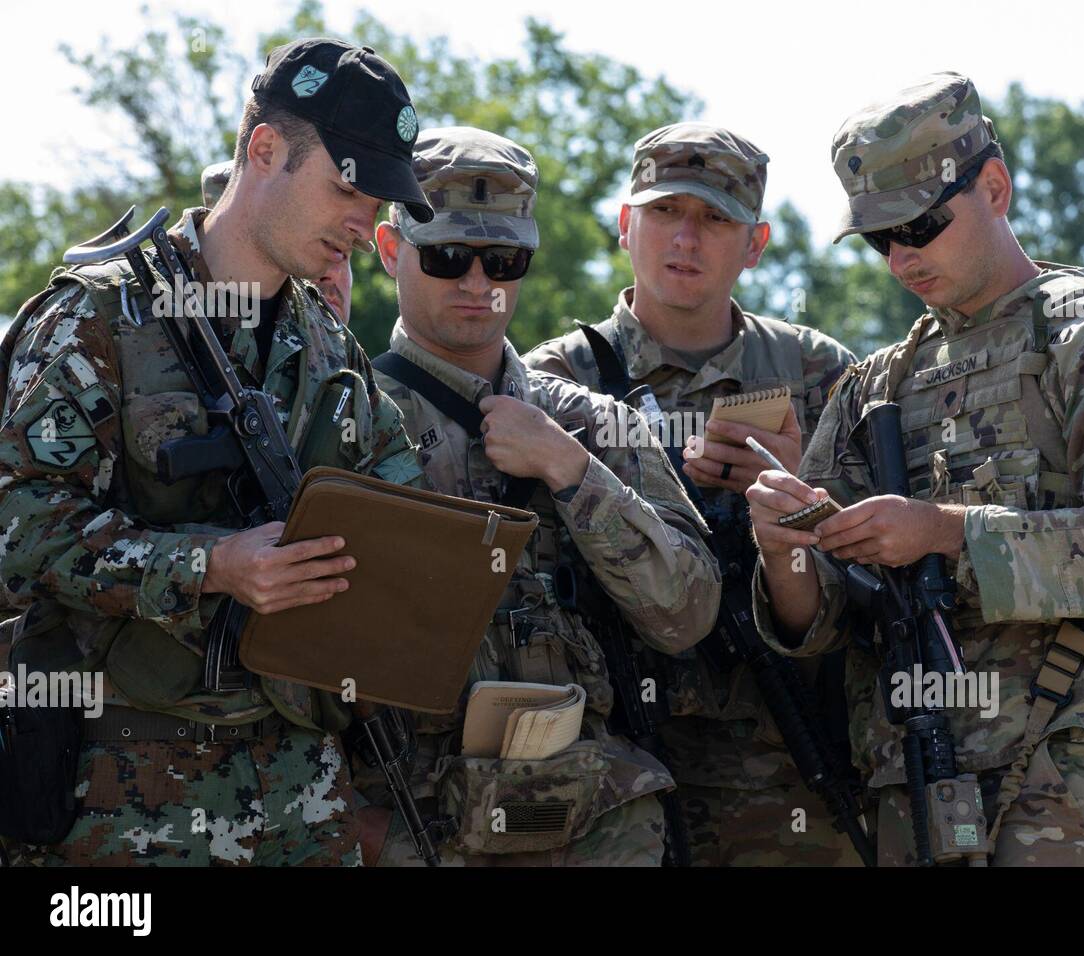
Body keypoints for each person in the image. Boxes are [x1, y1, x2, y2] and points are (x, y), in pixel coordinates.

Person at [747, 72, 1084, 865]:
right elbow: (819, 618)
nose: (901, 256)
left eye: (922, 225)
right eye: (882, 238)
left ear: (994, 187)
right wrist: (784, 544)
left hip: (1064, 778)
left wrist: (946, 533)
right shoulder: (876, 383)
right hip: (912, 778)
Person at [0, 37, 428, 866]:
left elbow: (401, 512)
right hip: (121, 794)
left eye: (376, 203)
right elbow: (17, 529)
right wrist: (211, 567)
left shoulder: (330, 346)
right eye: (346, 187)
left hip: (301, 787)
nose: (362, 222)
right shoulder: (98, 316)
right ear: (263, 149)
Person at [366, 125, 721, 866]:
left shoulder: (594, 423)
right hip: (413, 823)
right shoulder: (349, 421)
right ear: (389, 249)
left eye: (503, 260)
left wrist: (573, 471)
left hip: (596, 818)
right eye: (445, 256)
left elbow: (687, 613)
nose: (476, 282)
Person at [526, 123, 862, 865]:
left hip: (788, 766)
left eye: (716, 219)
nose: (688, 238)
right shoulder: (554, 382)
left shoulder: (817, 371)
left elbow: (866, 580)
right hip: (614, 768)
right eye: (666, 212)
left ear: (756, 244)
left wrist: (799, 495)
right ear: (624, 226)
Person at [202, 159, 356, 323]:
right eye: (310, 247)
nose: (327, 273)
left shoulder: (345, 345)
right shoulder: (179, 304)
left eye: (340, 252)